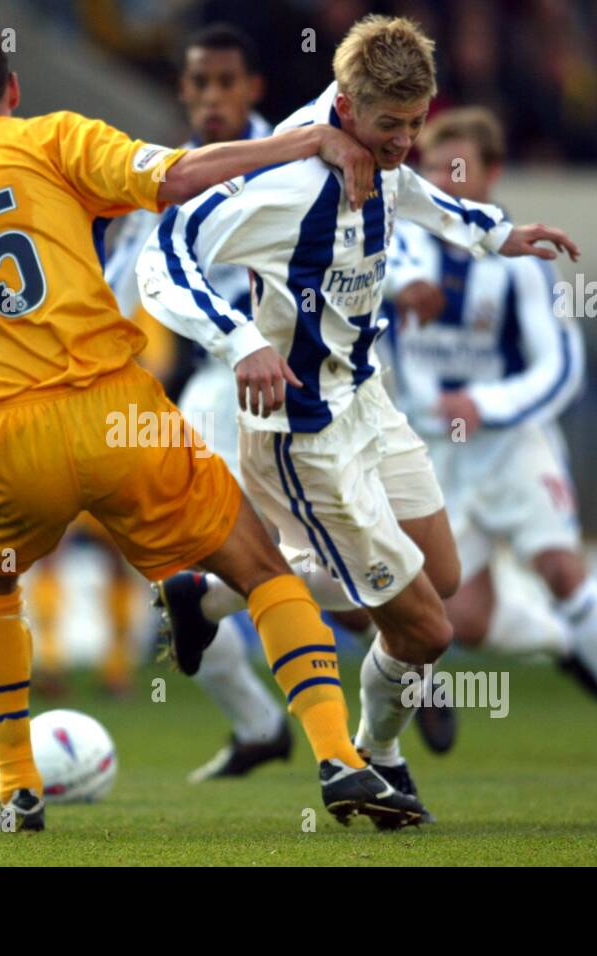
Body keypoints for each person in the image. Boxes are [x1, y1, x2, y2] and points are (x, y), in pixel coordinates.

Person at [0, 17, 426, 833]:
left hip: (2, 435)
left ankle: (17, 791)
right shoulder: (49, 137)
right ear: (12, 90)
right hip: (116, 414)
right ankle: (338, 759)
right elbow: (175, 179)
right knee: (258, 569)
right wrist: (304, 142)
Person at [138, 15, 580, 819]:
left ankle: (205, 600)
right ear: (345, 105)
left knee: (439, 580)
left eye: (417, 123)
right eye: (391, 126)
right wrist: (239, 340)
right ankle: (374, 760)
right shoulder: (287, 179)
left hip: (366, 398)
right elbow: (162, 257)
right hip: (301, 429)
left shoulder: (374, 144)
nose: (407, 141)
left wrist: (499, 234)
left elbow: (408, 189)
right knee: (426, 629)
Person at [107, 23, 377, 782]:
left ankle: (401, 646)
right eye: (199, 84)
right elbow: (118, 290)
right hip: (214, 388)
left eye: (226, 82)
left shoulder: (308, 151)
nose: (212, 97)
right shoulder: (158, 181)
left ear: (253, 88)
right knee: (182, 564)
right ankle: (263, 724)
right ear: (184, 92)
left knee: (311, 551)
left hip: (312, 385)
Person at [383, 106, 597, 757]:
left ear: (493, 173)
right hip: (435, 454)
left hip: (513, 445)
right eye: (431, 169)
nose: (444, 183)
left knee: (561, 569)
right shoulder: (399, 242)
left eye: (457, 169)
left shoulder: (517, 259)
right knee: (462, 620)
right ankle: (563, 643)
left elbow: (560, 365)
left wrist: (487, 403)